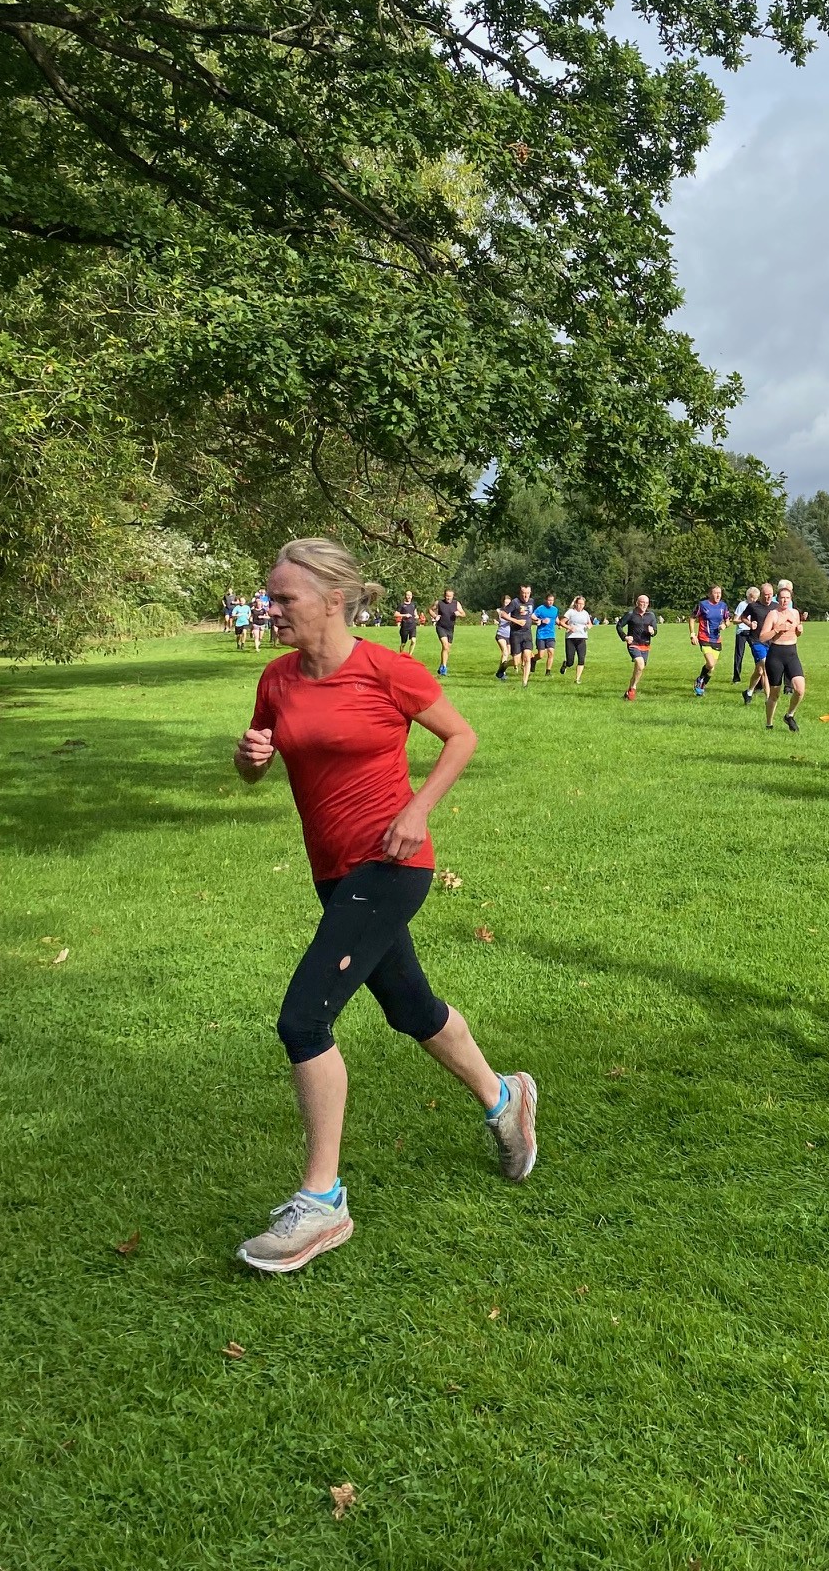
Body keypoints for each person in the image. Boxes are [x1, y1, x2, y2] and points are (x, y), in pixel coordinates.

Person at [231, 538, 536, 1274]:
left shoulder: (385, 669)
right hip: (334, 872)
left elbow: (461, 736)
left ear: (334, 601)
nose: (271, 611)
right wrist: (249, 762)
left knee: (304, 1019)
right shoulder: (278, 679)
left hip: (393, 863)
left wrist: (419, 809)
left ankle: (322, 1200)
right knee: (410, 1008)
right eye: (270, 599)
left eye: (284, 599)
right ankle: (505, 1099)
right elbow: (256, 764)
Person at [759, 580, 806, 731]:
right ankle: (769, 723)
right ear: (777, 599)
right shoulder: (773, 614)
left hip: (792, 653)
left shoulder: (795, 613)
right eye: (782, 598)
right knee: (775, 693)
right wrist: (777, 629)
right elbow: (762, 637)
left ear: (791, 599)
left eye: (787, 598)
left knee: (800, 689)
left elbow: (797, 633)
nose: (784, 600)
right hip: (776, 655)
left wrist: (799, 630)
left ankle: (789, 715)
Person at [690, 583, 730, 697]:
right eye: (716, 593)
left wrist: (725, 625)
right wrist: (692, 634)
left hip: (716, 639)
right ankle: (700, 681)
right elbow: (692, 618)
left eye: (720, 593)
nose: (718, 595)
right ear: (709, 594)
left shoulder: (723, 606)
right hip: (704, 637)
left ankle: (701, 684)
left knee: (711, 670)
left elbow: (728, 620)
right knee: (710, 663)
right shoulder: (702, 605)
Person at [617, 594, 659, 700]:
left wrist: (652, 632)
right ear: (637, 603)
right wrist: (625, 637)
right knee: (640, 664)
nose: (644, 604)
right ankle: (634, 688)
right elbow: (619, 626)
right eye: (642, 602)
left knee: (639, 669)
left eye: (646, 603)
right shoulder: (631, 614)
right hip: (633, 644)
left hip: (645, 644)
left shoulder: (651, 615)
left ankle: (630, 689)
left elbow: (655, 631)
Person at [740, 581, 775, 706]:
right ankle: (768, 698)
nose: (768, 597)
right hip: (756, 641)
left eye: (770, 594)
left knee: (759, 671)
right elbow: (742, 617)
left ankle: (748, 692)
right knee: (765, 667)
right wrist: (750, 624)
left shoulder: (775, 607)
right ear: (761, 595)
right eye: (765, 595)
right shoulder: (753, 606)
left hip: (771, 642)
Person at [429, 587, 464, 677]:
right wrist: (435, 616)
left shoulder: (456, 603)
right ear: (444, 595)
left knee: (447, 649)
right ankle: (444, 668)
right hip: (441, 627)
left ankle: (441, 666)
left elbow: (463, 614)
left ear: (453, 596)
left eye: (450, 596)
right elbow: (430, 609)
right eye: (447, 596)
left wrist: (459, 614)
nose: (448, 598)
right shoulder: (439, 603)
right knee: (445, 645)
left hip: (450, 629)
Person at [506, 585, 535, 688]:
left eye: (527, 593)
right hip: (516, 634)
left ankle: (525, 682)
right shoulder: (515, 602)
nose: (525, 595)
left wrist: (537, 619)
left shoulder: (531, 601)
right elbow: (503, 614)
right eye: (523, 593)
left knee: (527, 657)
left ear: (530, 592)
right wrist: (516, 621)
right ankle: (504, 665)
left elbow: (529, 614)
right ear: (520, 593)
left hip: (527, 633)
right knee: (516, 661)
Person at [731, 586, 760, 685]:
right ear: (748, 596)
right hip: (742, 632)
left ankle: (759, 677)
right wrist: (745, 621)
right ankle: (736, 678)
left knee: (757, 654)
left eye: (756, 598)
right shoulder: (742, 605)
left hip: (752, 632)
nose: (754, 600)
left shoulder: (757, 606)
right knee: (739, 655)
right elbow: (734, 620)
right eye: (752, 597)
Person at [562, 596, 592, 685]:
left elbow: (590, 623)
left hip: (582, 638)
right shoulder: (570, 612)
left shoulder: (585, 613)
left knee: (581, 659)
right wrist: (569, 627)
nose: (580, 606)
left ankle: (577, 679)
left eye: (582, 604)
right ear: (575, 604)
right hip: (571, 638)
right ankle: (566, 664)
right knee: (570, 661)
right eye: (578, 604)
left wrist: (589, 626)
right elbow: (562, 622)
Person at [533, 594, 560, 674]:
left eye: (552, 600)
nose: (550, 602)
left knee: (551, 652)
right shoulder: (540, 609)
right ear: (545, 600)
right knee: (541, 655)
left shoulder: (555, 609)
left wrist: (560, 624)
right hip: (541, 634)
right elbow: (533, 617)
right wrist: (541, 620)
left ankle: (548, 671)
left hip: (551, 634)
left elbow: (556, 619)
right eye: (549, 600)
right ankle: (533, 660)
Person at [395, 590, 420, 658]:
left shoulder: (413, 604)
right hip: (405, 626)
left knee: (413, 641)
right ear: (405, 596)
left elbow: (415, 613)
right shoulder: (402, 605)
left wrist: (417, 616)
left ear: (412, 596)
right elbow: (396, 614)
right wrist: (405, 615)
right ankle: (400, 655)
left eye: (410, 595)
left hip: (412, 625)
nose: (409, 597)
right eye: (407, 595)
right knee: (403, 643)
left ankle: (410, 656)